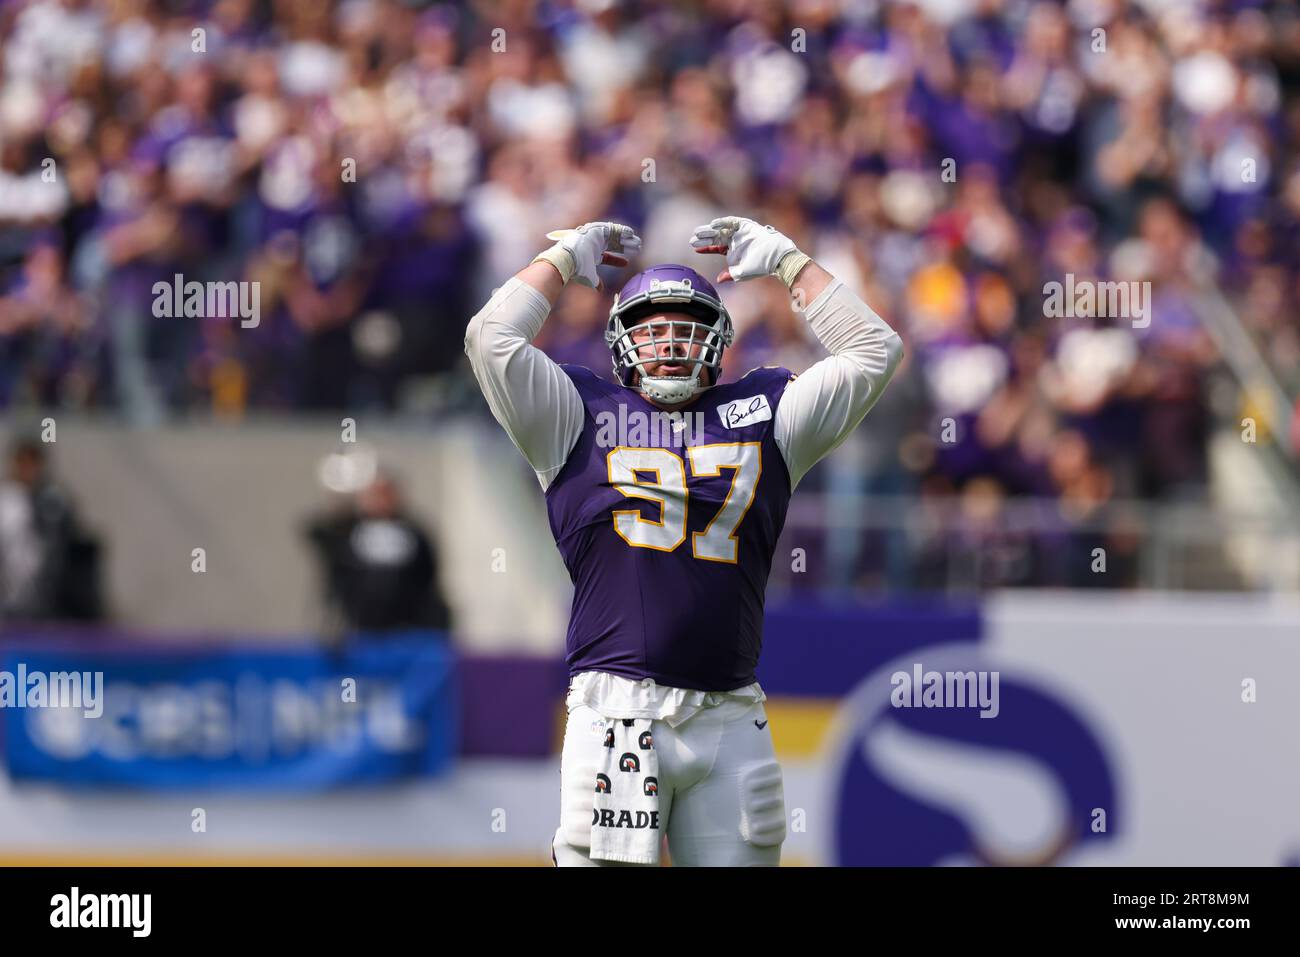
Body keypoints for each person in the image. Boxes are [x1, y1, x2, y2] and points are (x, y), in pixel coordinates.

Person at [464, 218, 904, 866]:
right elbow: (490, 338)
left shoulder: (766, 411)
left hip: (729, 714)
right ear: (620, 340)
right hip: (616, 710)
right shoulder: (572, 413)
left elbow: (876, 350)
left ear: (721, 339)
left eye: (687, 326)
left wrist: (788, 262)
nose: (669, 342)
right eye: (651, 326)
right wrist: (562, 257)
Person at [302, 470, 451, 644]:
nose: (381, 501)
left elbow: (428, 573)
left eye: (385, 494)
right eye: (375, 494)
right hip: (358, 633)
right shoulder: (349, 531)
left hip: (406, 631)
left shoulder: (413, 532)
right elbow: (320, 538)